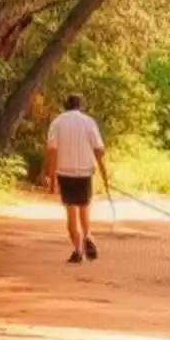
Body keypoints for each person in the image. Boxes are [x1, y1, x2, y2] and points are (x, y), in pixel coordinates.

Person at [45, 94, 111, 264]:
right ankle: (87, 235)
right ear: (80, 106)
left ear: (65, 106)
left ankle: (78, 250)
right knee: (84, 208)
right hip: (85, 172)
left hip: (65, 173)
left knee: (71, 214)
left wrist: (52, 181)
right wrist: (104, 175)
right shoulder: (89, 122)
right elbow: (99, 150)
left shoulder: (57, 123)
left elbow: (52, 152)